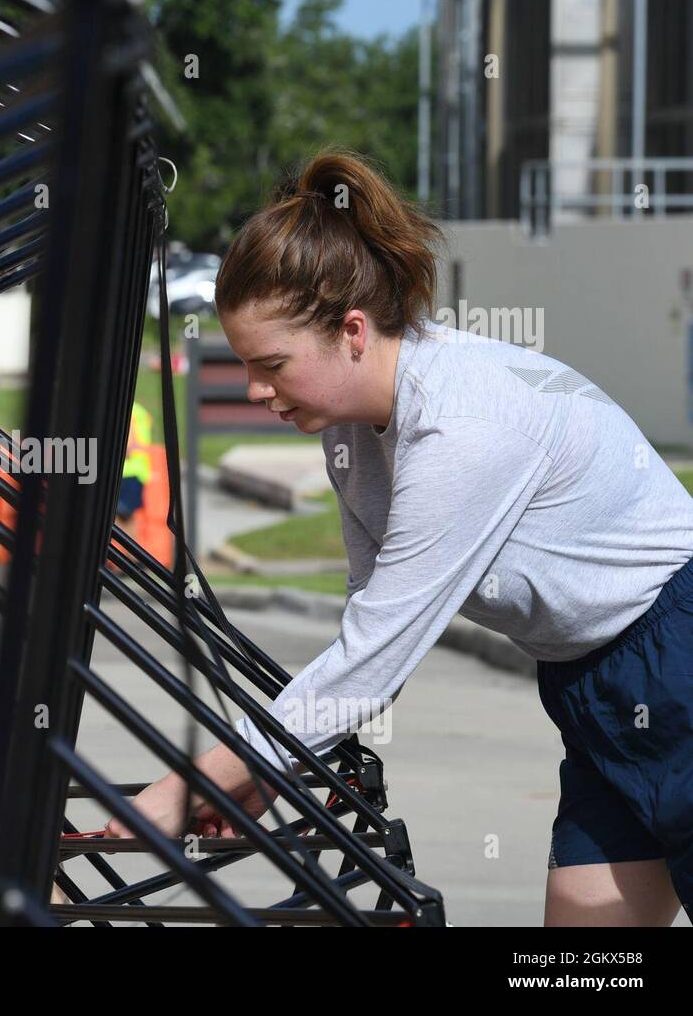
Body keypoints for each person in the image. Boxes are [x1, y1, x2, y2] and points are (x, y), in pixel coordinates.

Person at [104, 148, 693, 927]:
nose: (255, 390)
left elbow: (373, 658)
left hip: (676, 658)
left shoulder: (461, 427)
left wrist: (198, 778)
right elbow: (371, 626)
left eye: (271, 364)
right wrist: (268, 772)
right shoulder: (350, 435)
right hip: (593, 684)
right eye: (244, 365)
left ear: (352, 330)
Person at [116, 401, 153, 534]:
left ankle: (117, 553)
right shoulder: (139, 410)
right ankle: (129, 553)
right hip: (138, 471)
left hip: (126, 472)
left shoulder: (125, 409)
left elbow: (128, 447)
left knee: (118, 517)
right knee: (127, 517)